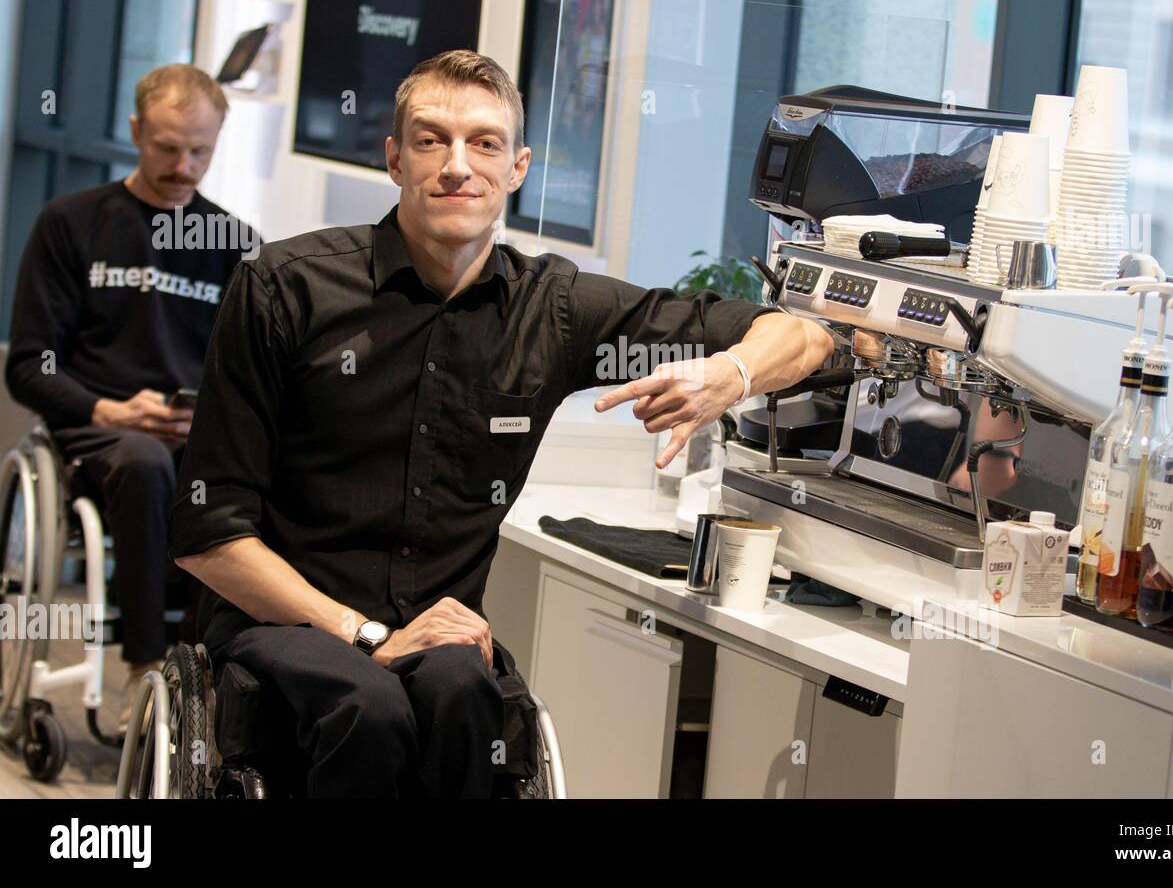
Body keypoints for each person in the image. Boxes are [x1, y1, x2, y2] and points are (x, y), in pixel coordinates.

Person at [171, 50, 834, 798]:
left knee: (464, 690)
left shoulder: (553, 311)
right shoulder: (284, 291)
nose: (458, 165)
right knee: (370, 706)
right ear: (394, 159)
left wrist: (730, 374)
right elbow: (208, 537)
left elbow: (805, 337)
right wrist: (367, 636)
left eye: (484, 143)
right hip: (283, 627)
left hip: (442, 637)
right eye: (430, 140)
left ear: (517, 167)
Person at [4, 64, 253, 730]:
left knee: (246, 473)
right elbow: (28, 364)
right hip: (98, 426)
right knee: (143, 459)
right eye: (167, 147)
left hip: (195, 436)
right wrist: (105, 410)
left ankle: (213, 670)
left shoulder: (235, 246)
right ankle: (146, 668)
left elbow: (256, 375)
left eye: (199, 150)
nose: (183, 165)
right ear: (138, 131)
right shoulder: (72, 224)